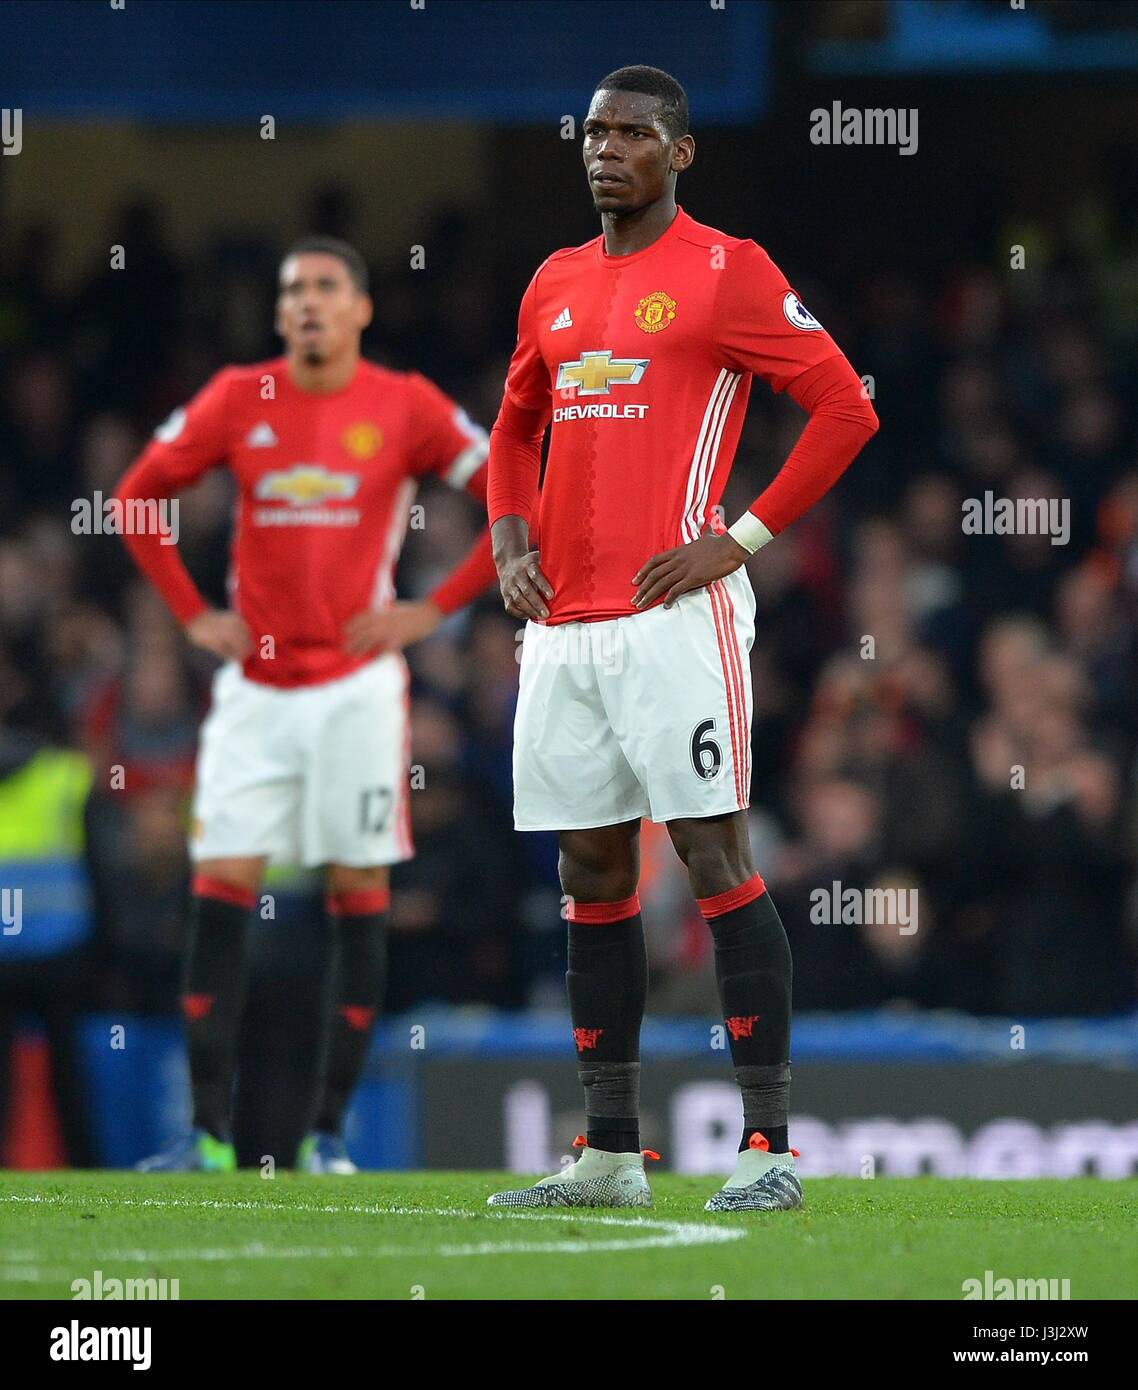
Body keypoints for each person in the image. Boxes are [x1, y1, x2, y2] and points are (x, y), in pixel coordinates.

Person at [486, 67, 878, 1211]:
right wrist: (510, 539)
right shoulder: (552, 282)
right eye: (594, 132)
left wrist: (738, 538)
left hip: (671, 616)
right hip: (563, 625)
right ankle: (611, 1150)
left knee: (713, 854)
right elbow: (514, 425)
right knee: (590, 871)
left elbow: (846, 404)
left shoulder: (726, 270)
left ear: (680, 154)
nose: (605, 150)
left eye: (632, 134)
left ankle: (767, 1150)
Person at [115, 236, 496, 1172]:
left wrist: (432, 612)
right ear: (280, 314)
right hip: (256, 693)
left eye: (328, 288)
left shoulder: (403, 404)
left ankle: (328, 1136)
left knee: (356, 893)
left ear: (361, 308)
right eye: (295, 292)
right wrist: (192, 614)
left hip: (359, 694)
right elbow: (136, 497)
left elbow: (511, 494)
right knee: (221, 891)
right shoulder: (238, 397)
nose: (310, 304)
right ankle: (206, 1137)